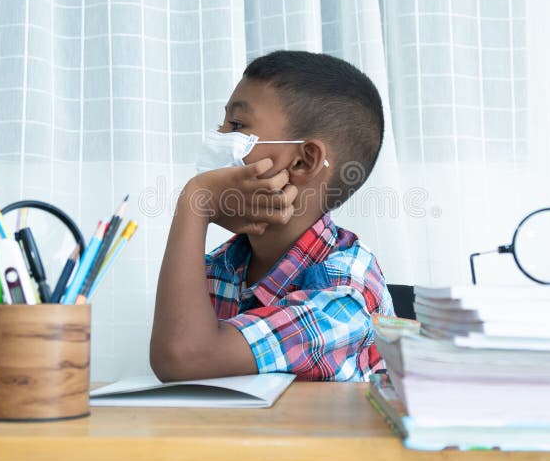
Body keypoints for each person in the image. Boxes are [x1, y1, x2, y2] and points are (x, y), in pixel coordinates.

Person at [150, 50, 395, 382]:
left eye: (236, 125)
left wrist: (195, 202)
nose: (220, 137)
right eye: (223, 123)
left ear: (303, 162)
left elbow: (183, 359)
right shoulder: (218, 268)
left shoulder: (347, 291)